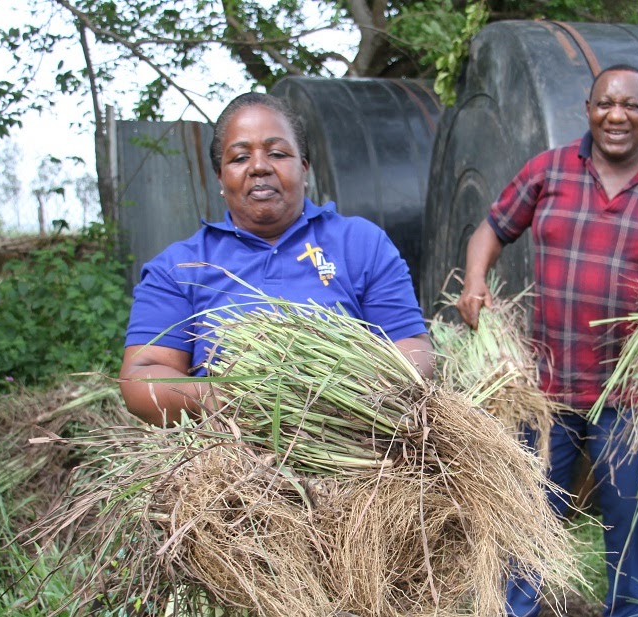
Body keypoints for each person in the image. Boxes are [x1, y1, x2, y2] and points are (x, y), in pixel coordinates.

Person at [456, 65, 638, 617]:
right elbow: (492, 228)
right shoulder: (549, 170)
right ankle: (515, 610)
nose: (616, 115)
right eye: (605, 103)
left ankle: (629, 610)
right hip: (548, 389)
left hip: (633, 397)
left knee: (631, 515)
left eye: (630, 105)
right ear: (588, 108)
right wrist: (476, 279)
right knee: (533, 511)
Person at [121, 92, 434, 425]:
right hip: (230, 456)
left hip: (357, 439)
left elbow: (412, 345)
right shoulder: (180, 267)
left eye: (277, 153)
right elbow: (139, 377)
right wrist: (227, 396)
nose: (259, 167)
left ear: (304, 167)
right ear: (220, 178)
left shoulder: (361, 243)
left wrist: (349, 395)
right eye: (240, 158)